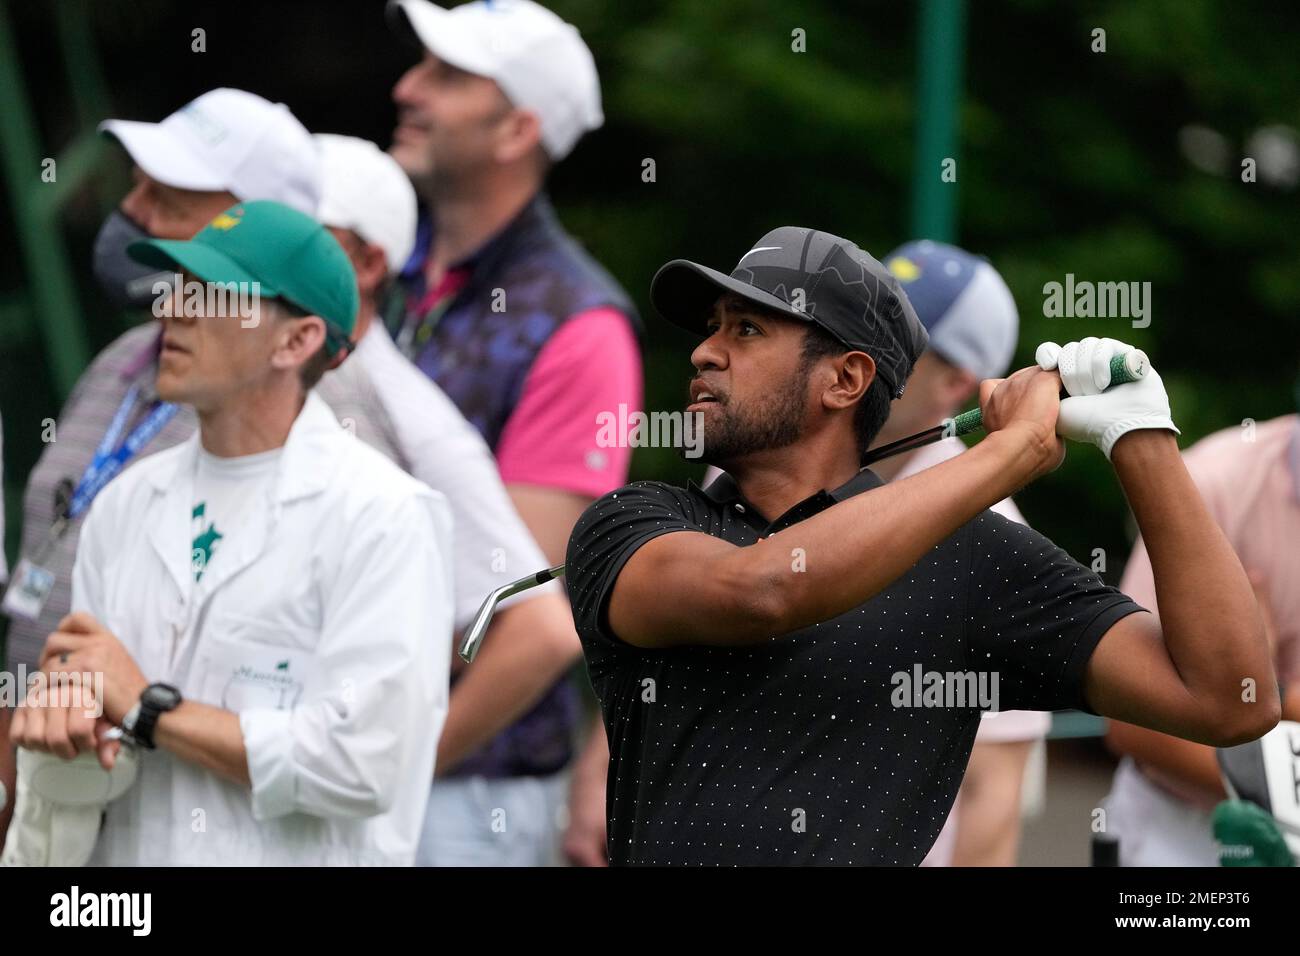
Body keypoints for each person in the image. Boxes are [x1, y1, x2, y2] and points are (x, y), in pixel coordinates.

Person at [563, 226, 1279, 865]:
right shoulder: (640, 521)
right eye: (711, 327)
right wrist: (1016, 449)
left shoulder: (979, 560)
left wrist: (1143, 439)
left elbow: (1230, 704)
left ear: (845, 380)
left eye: (745, 330)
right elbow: (765, 589)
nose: (703, 352)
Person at [0, 89, 414, 849]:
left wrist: (147, 708)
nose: (174, 308)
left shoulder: (384, 508)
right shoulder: (123, 496)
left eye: (212, 289)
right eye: (176, 283)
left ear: (297, 343)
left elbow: (364, 765)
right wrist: (63, 728)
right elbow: (100, 745)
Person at [386, 0, 643, 865]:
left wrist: (381, 778)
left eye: (448, 76)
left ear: (516, 130)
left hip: (459, 799)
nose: (406, 89)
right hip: (340, 762)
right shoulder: (382, 271)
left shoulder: (580, 325)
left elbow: (520, 619)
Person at [313, 133, 586, 812]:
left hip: (464, 805)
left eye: (302, 235)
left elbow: (540, 625)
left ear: (369, 263)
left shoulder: (403, 414)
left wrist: (388, 777)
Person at [875, 240, 1051, 867]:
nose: (857, 347)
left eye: (891, 337)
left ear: (954, 382)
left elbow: (993, 788)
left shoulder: (994, 541)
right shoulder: (764, 463)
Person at [1101, 401, 1300, 865]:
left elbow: (1253, 704)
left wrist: (1272, 692)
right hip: (1179, 832)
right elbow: (1133, 717)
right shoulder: (1215, 481)